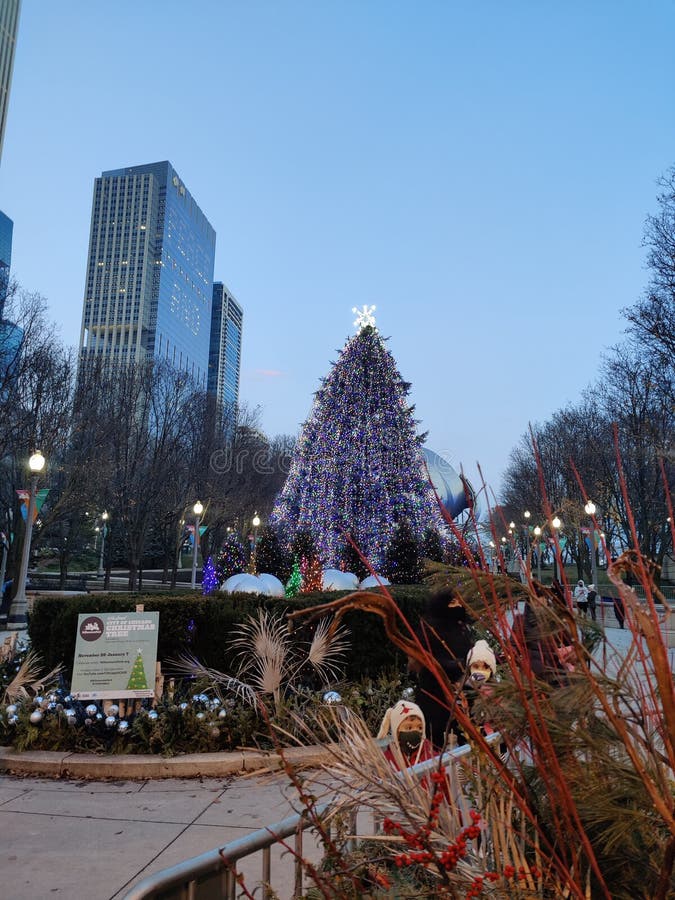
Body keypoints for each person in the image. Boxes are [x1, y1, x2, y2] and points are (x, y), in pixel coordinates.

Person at [408, 587, 475, 750]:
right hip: (436, 692)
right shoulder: (431, 628)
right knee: (437, 737)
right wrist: (453, 665)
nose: (458, 605)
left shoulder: (461, 627)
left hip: (461, 691)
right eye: (453, 602)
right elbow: (425, 658)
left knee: (463, 735)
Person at [376, 699, 436, 771]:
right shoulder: (388, 760)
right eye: (409, 728)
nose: (415, 731)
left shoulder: (430, 754)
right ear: (396, 731)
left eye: (420, 727)